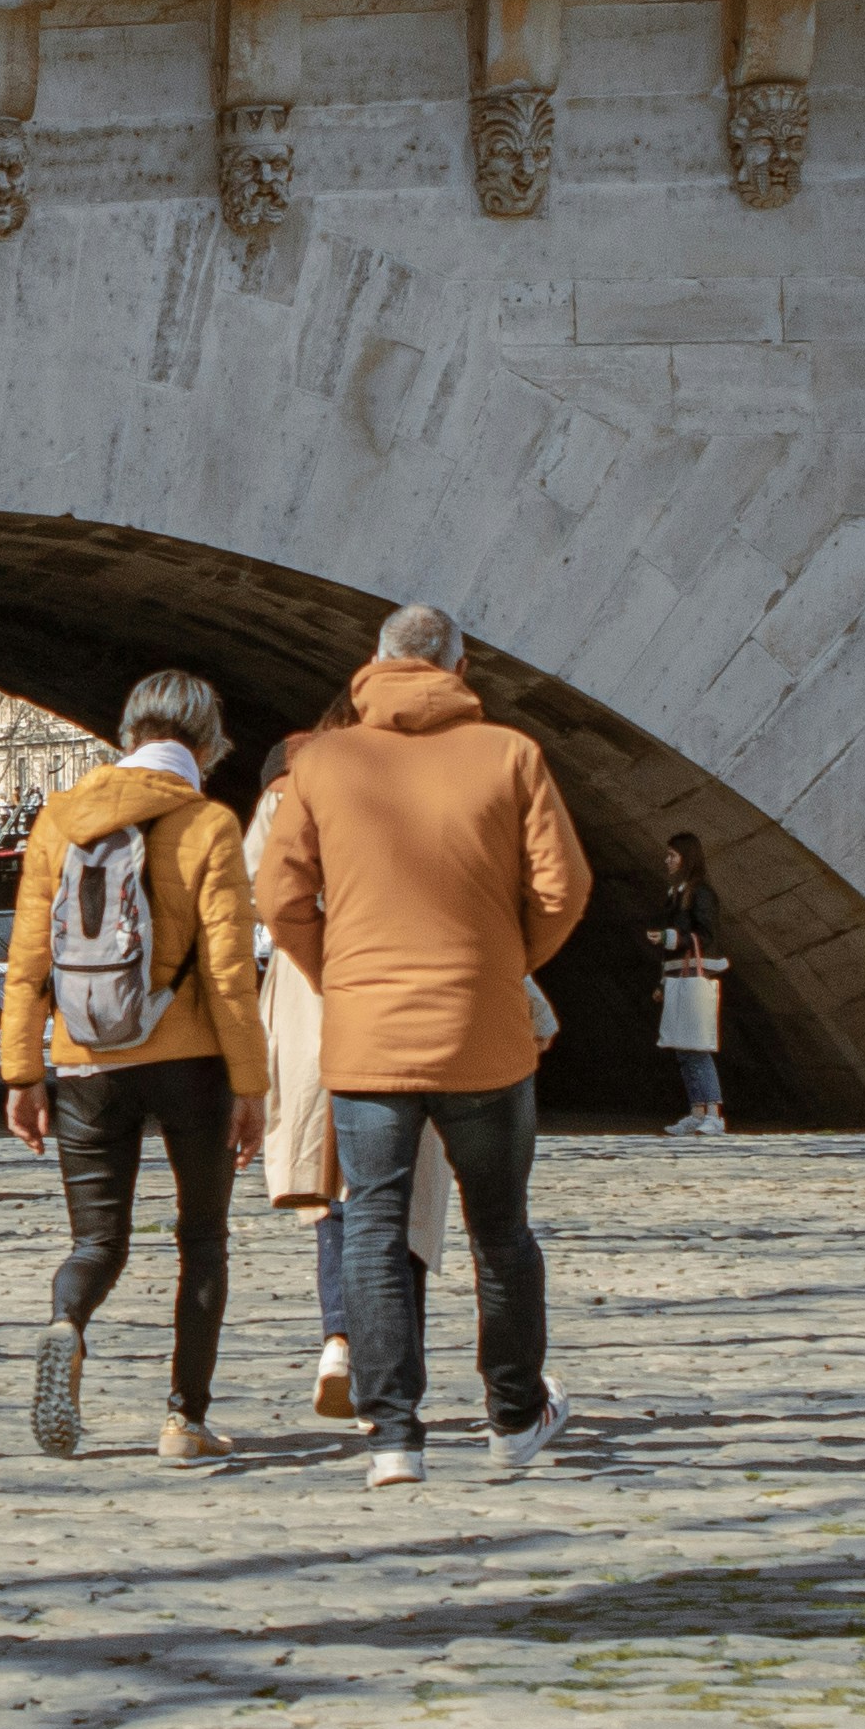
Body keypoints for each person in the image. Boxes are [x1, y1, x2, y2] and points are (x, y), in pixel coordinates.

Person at [254, 603, 591, 1488]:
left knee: (369, 1221)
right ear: (459, 664)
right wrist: (501, 961)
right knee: (500, 1229)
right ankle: (514, 1415)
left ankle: (393, 1433)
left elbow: (280, 898)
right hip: (482, 1034)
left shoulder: (321, 763)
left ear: (373, 661)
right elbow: (563, 889)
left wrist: (342, 969)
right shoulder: (511, 756)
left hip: (367, 1037)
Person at [0, 671, 269, 1464]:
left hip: (85, 1058)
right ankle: (185, 1420)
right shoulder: (209, 824)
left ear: (127, 732)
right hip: (191, 1061)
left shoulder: (60, 817)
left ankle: (65, 1323)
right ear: (207, 744)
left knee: (96, 1241)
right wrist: (250, 1086)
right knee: (202, 1239)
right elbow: (227, 971)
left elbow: (26, 959)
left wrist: (21, 1072)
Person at [249, 713, 444, 1424]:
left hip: (309, 1007)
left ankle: (340, 1340)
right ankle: (391, 1388)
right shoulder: (419, 786)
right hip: (405, 997)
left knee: (335, 1190)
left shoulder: (288, 794)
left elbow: (258, 889)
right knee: (402, 1190)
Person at [651, 831, 728, 1135]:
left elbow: (706, 935)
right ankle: (697, 1111)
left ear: (686, 857)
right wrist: (662, 983)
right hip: (678, 976)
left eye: (672, 855)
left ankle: (713, 1111)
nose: (667, 860)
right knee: (683, 1046)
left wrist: (672, 938)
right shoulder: (676, 893)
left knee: (697, 1044)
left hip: (697, 975)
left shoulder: (701, 893)